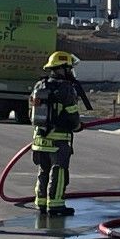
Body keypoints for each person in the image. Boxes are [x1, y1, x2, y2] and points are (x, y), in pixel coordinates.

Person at [30, 51, 83, 216]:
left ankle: (41, 202)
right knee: (58, 171)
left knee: (43, 171)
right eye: (69, 68)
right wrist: (77, 126)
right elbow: (72, 115)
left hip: (39, 139)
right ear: (62, 69)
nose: (71, 72)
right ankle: (55, 205)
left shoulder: (40, 85)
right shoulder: (66, 88)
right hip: (58, 140)